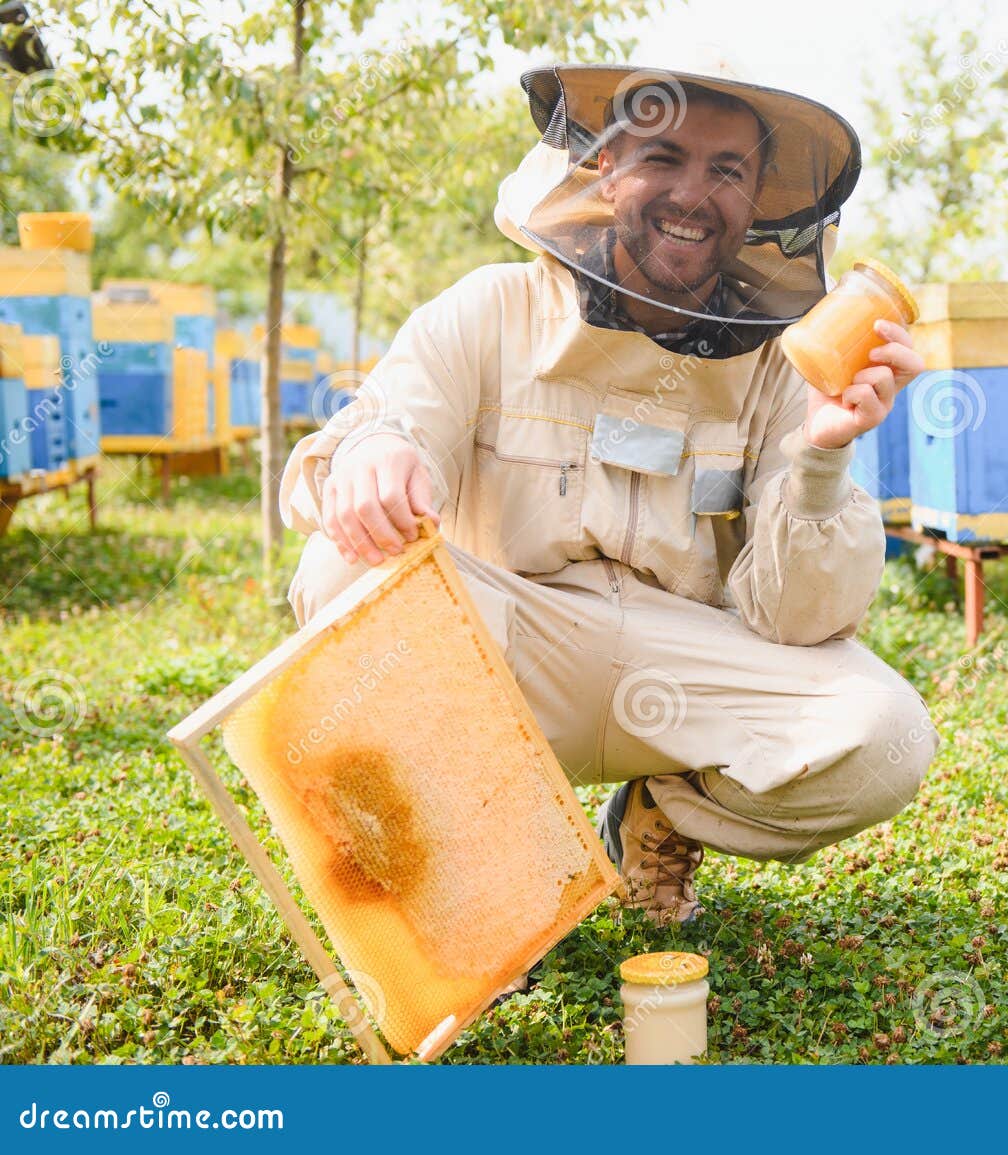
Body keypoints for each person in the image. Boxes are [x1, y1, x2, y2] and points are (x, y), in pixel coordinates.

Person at [280, 64, 938, 926]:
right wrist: (375, 451)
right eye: (663, 157)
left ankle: (656, 816)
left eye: (727, 171)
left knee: (886, 735)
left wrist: (822, 453)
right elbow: (390, 423)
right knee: (343, 566)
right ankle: (489, 855)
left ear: (760, 202)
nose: (693, 195)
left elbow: (798, 619)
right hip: (508, 652)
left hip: (680, 663)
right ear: (605, 169)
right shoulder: (489, 310)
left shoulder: (784, 369)